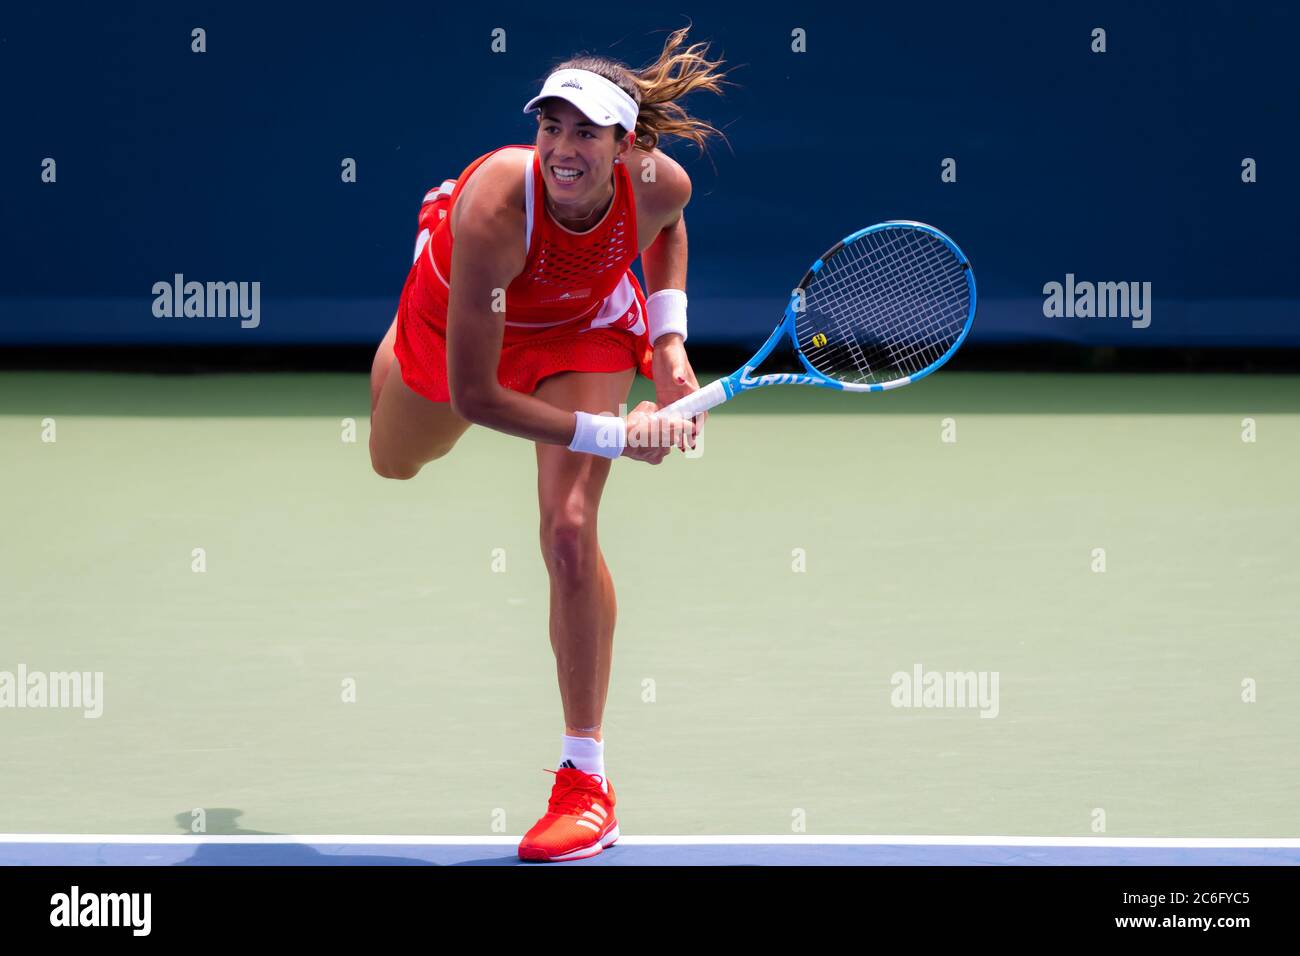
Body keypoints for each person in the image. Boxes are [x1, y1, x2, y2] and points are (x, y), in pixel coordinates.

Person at [368, 26, 732, 861]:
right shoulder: (498, 204)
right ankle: (394, 341)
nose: (562, 149)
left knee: (569, 531)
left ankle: (585, 780)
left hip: (586, 328)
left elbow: (669, 226)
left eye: (584, 132)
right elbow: (477, 396)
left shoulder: (656, 180)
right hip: (466, 334)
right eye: (550, 127)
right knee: (395, 459)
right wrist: (616, 432)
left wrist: (669, 343)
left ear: (624, 145)